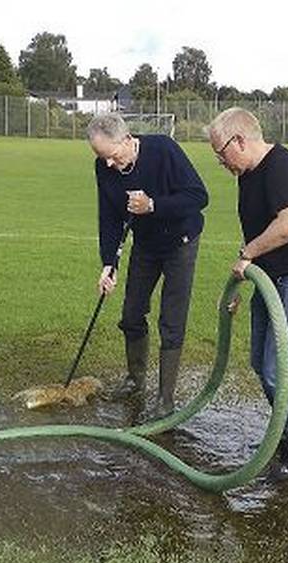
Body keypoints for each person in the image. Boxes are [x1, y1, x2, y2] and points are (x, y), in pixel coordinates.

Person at [206, 107, 288, 479]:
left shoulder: (282, 166)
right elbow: (256, 237)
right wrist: (239, 285)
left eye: (220, 153)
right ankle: (283, 435)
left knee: (278, 367)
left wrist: (246, 256)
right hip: (269, 278)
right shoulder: (248, 176)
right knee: (261, 364)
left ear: (239, 140)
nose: (220, 162)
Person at [87, 113, 209, 416]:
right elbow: (110, 217)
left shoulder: (164, 150)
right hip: (145, 244)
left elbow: (198, 196)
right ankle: (135, 380)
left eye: (112, 156)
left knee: (171, 320)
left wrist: (154, 205)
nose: (109, 165)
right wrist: (108, 263)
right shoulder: (105, 168)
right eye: (102, 158)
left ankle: (165, 400)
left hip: (181, 241)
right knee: (131, 314)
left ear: (127, 140)